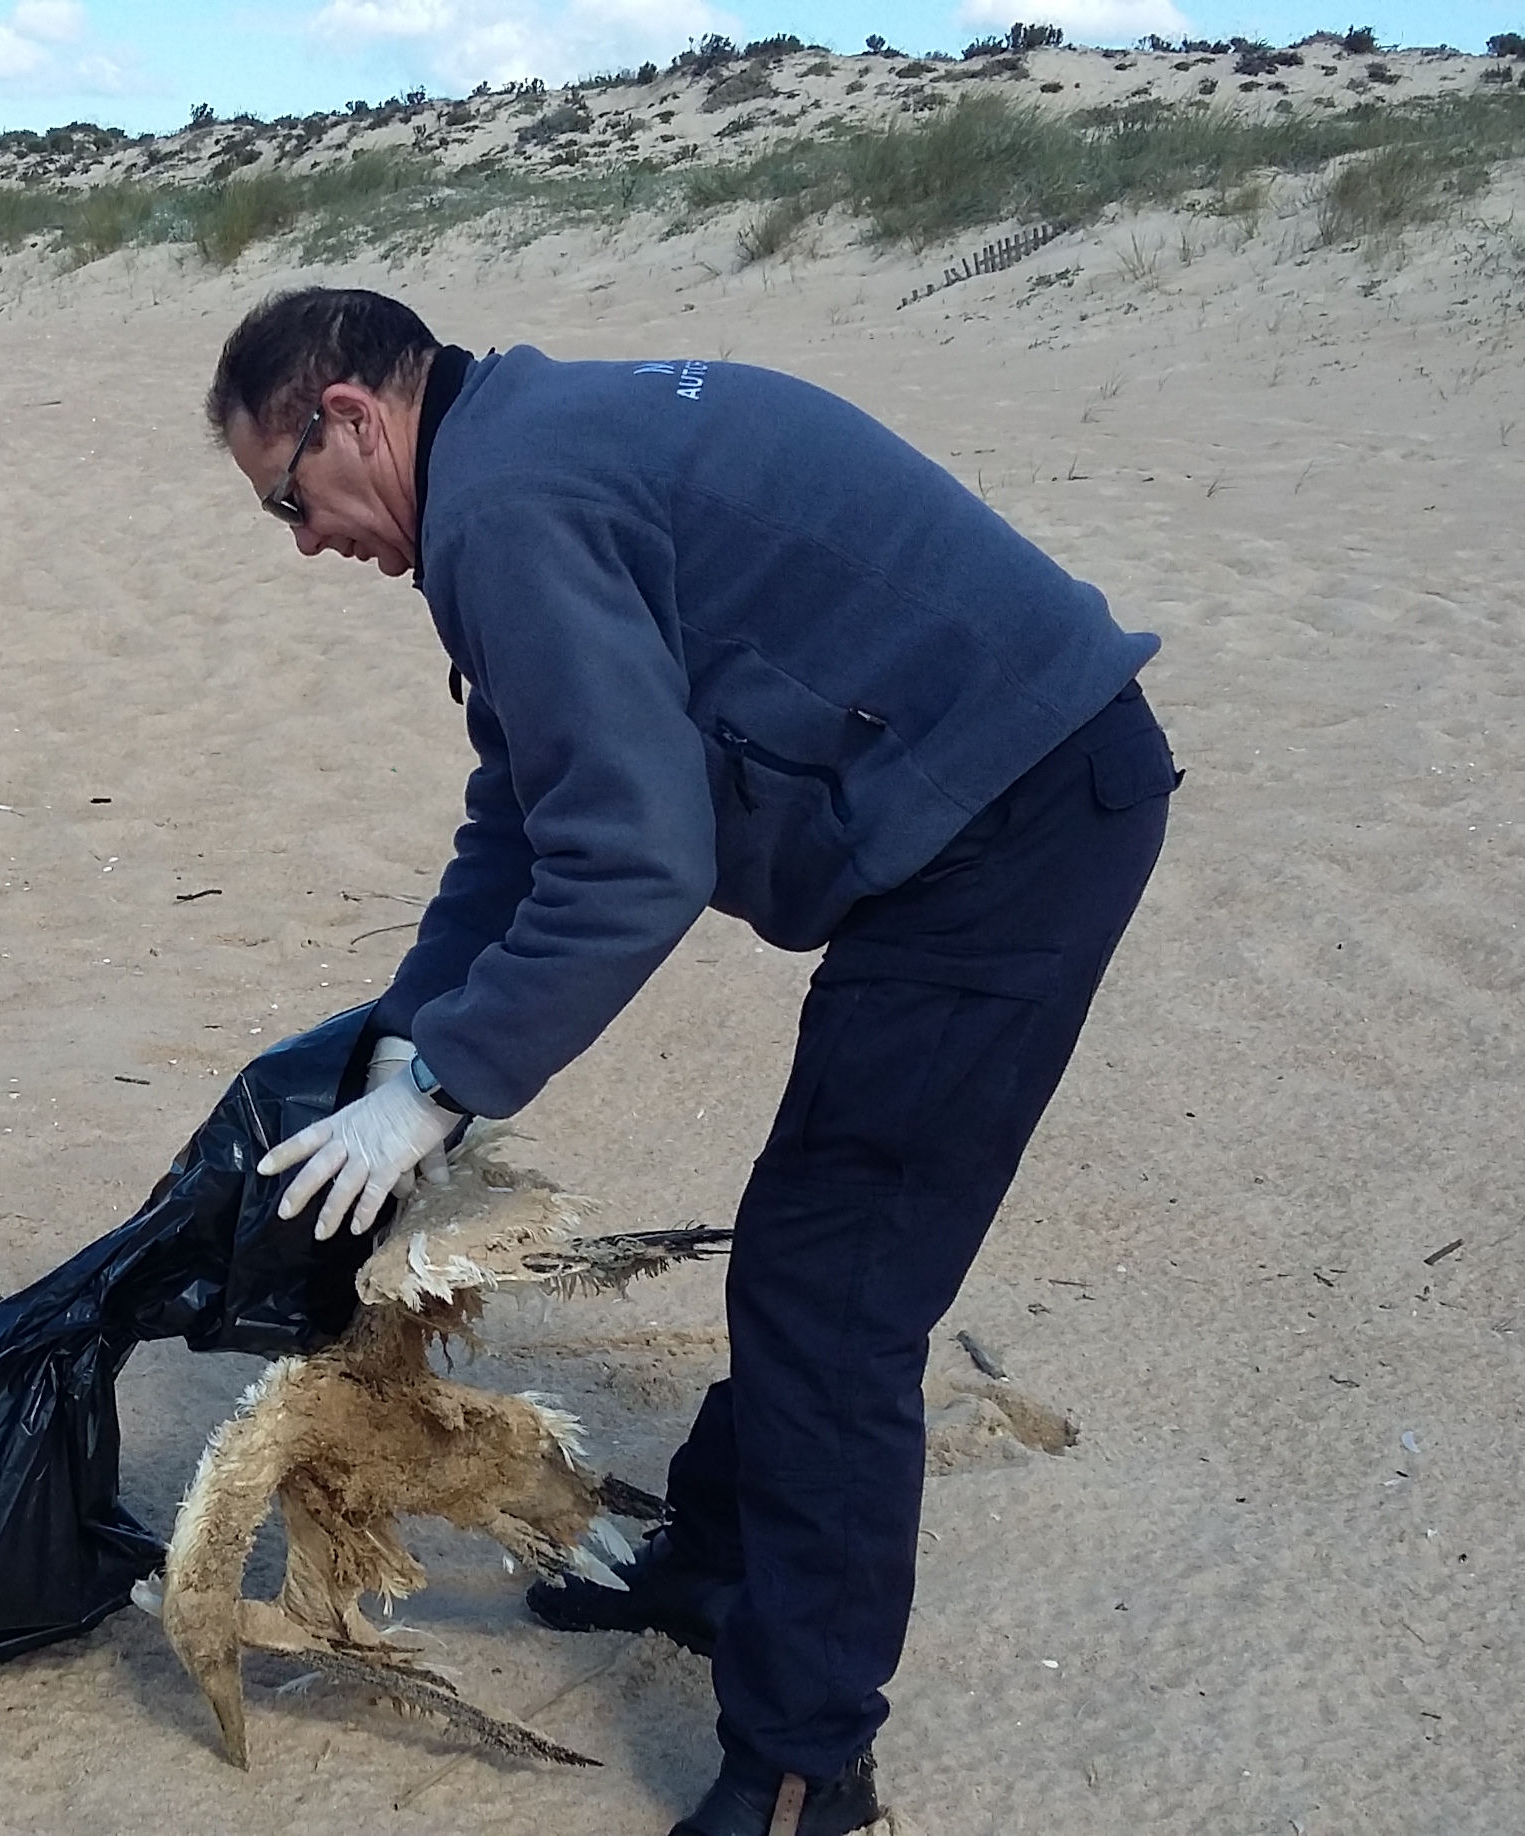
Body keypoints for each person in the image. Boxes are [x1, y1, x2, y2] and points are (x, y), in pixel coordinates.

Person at [221, 288, 1176, 1836]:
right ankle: (724, 1560)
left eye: (291, 499)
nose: (306, 541)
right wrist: (416, 1024)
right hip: (979, 803)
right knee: (813, 1247)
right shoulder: (512, 461)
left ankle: (804, 1770)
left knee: (836, 1293)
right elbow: (528, 806)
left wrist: (443, 1093)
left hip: (1016, 819)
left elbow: (632, 862)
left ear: (351, 418)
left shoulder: (507, 503)